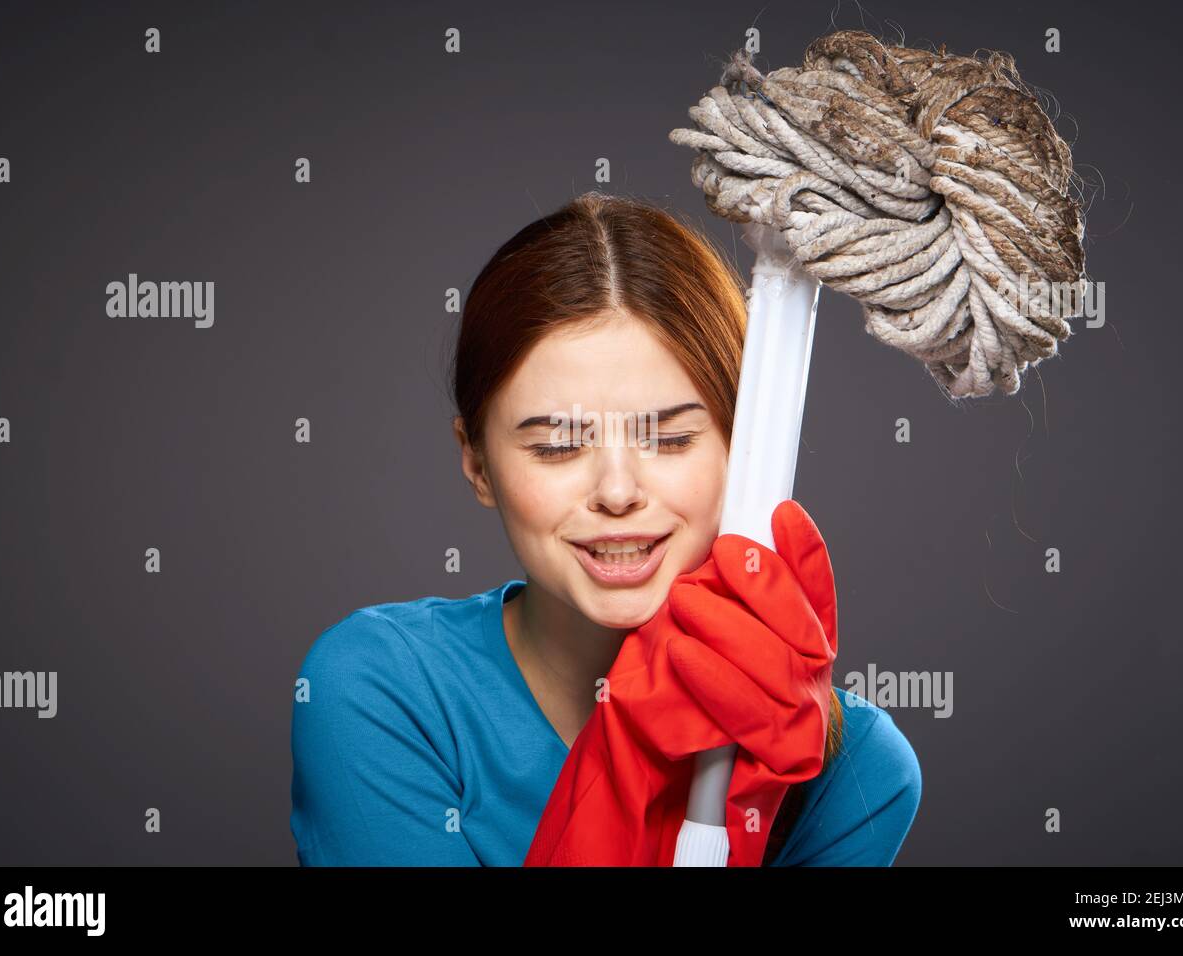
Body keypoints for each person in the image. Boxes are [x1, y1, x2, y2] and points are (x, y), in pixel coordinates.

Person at [290, 192, 921, 866]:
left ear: (745, 451)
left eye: (671, 439)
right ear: (477, 463)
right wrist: (628, 762)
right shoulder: (379, 692)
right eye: (557, 447)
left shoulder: (855, 775)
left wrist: (749, 809)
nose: (617, 492)